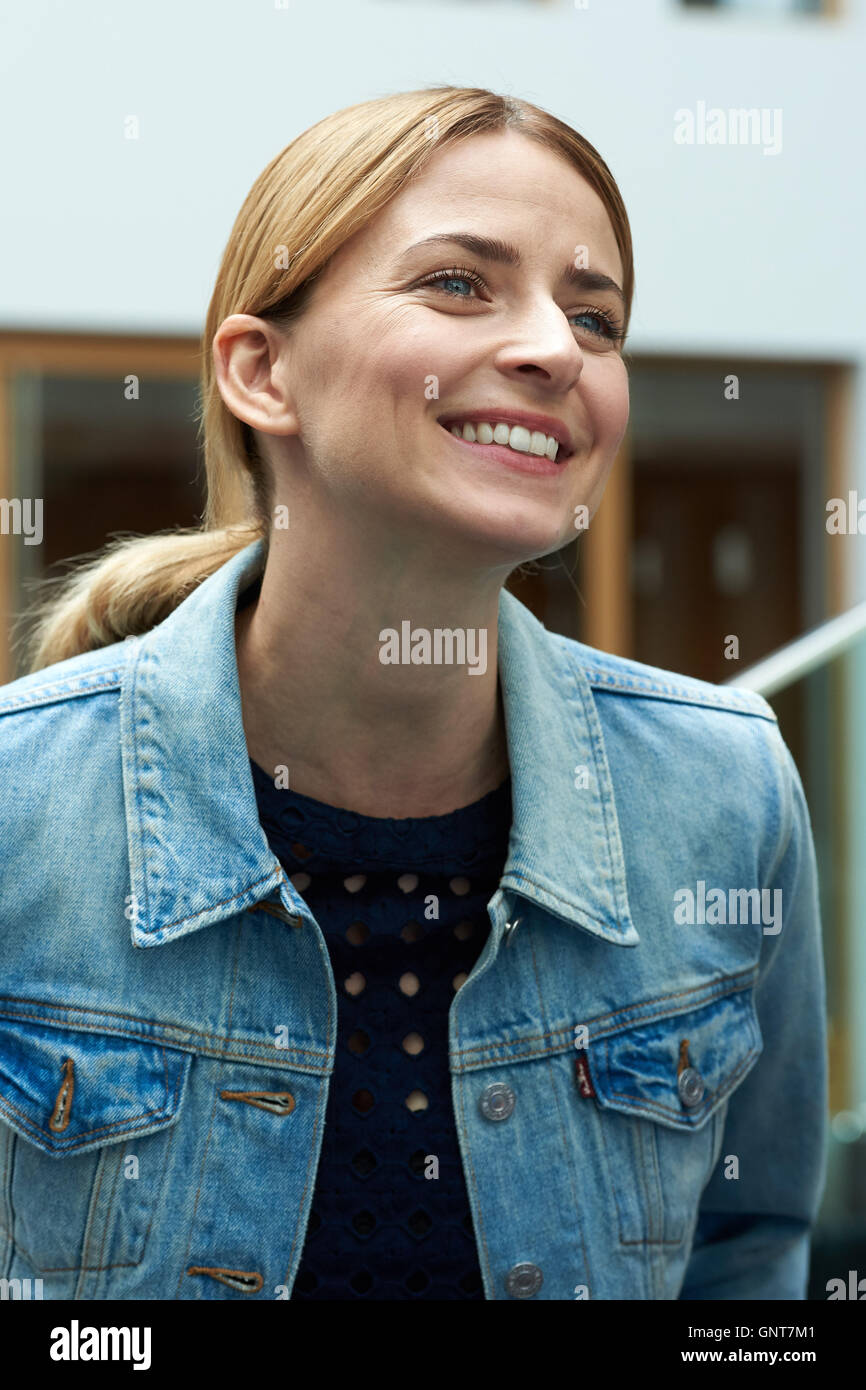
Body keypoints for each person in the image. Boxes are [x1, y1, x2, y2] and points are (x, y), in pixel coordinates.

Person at [0, 86, 826, 1301]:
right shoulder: (22, 804)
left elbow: (746, 1250)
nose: (556, 348)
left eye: (594, 317)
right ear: (261, 372)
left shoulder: (726, 788)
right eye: (457, 283)